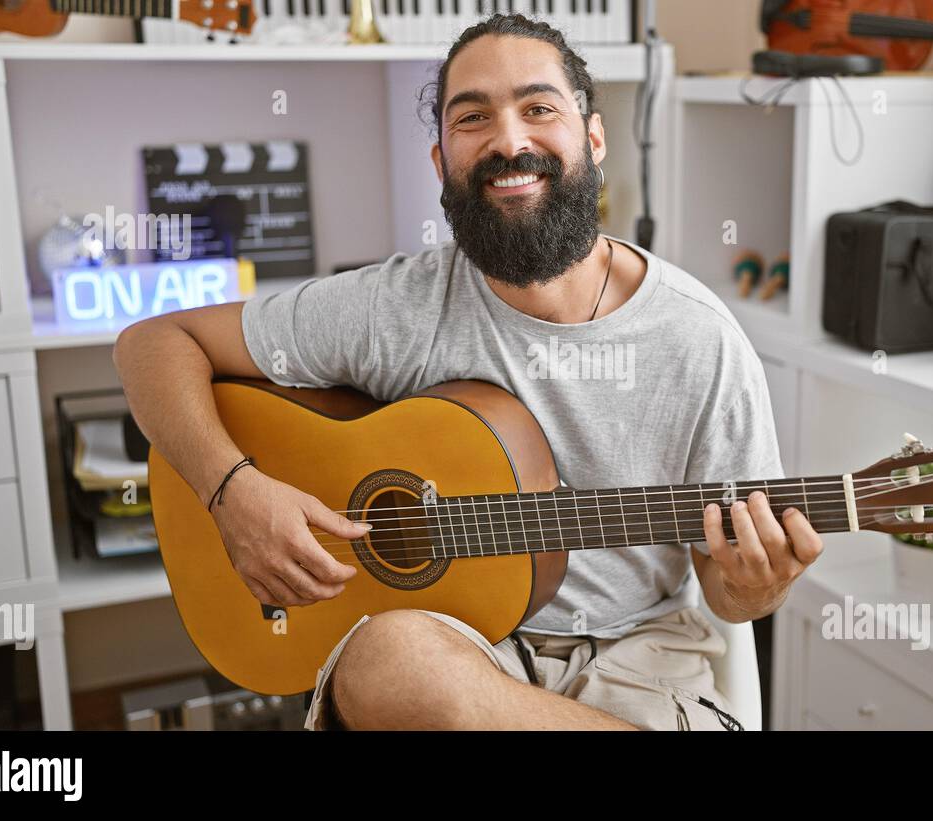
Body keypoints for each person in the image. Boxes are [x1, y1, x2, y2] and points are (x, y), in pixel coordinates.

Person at [114, 12, 824, 731]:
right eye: (473, 117)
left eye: (539, 108)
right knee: (387, 658)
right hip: (462, 649)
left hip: (639, 657)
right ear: (441, 162)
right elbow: (153, 342)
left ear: (595, 138)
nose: (509, 141)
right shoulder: (394, 305)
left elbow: (728, 591)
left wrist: (753, 588)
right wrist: (230, 491)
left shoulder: (701, 341)